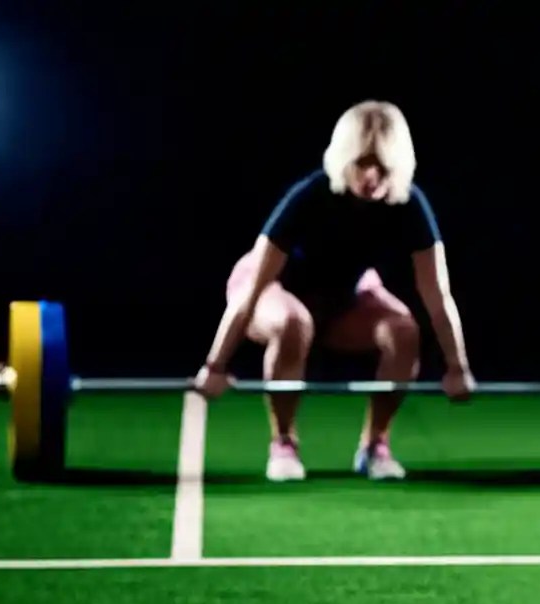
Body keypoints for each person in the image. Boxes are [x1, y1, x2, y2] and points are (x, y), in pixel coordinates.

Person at [194, 100, 475, 482]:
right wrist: (215, 366)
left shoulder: (409, 204)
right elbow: (253, 290)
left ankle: (375, 446)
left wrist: (458, 368)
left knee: (404, 331)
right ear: (344, 158)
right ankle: (283, 443)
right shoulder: (311, 196)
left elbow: (438, 296)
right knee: (294, 323)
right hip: (271, 293)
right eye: (362, 163)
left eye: (382, 166)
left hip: (342, 298)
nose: (371, 176)